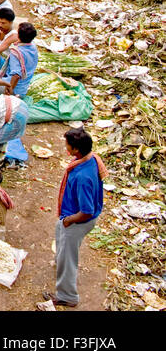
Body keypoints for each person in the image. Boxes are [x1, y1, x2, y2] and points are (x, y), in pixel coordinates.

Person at [47, 127, 104, 307]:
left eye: (67, 145)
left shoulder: (82, 177)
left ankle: (67, 296)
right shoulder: (91, 158)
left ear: (75, 150)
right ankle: (59, 262)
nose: (66, 147)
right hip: (71, 215)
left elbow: (86, 211)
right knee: (60, 235)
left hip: (78, 219)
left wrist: (69, 220)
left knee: (68, 257)